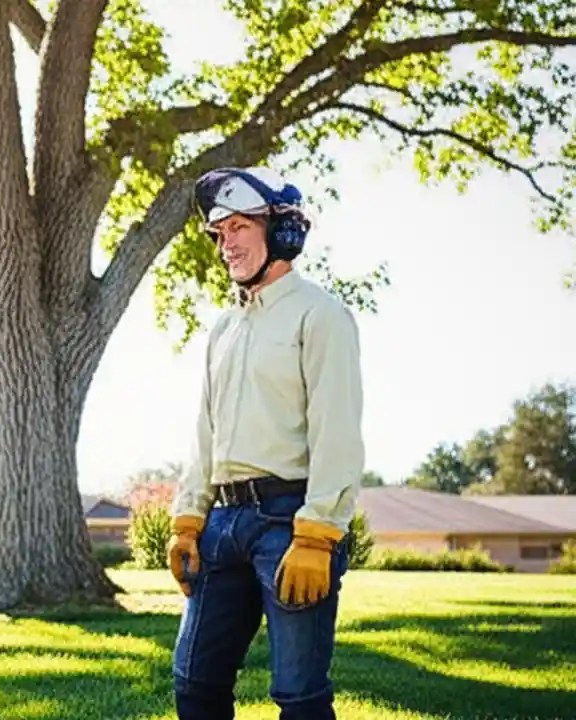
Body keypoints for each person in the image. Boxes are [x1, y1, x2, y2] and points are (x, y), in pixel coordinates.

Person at [166, 166, 365, 720]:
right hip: (222, 525)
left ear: (281, 231)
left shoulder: (320, 315)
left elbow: (337, 429)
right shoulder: (223, 329)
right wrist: (188, 520)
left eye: (239, 227)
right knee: (194, 685)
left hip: (291, 522)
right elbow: (204, 431)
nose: (225, 244)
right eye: (219, 232)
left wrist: (319, 533)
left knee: (299, 696)